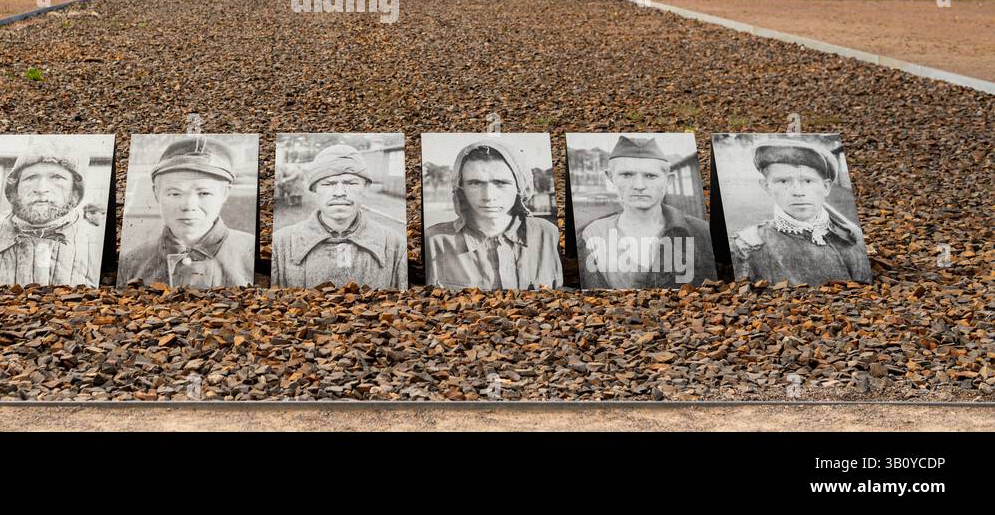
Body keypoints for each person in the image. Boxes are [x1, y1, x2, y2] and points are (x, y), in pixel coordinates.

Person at [578, 136, 715, 288]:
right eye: (627, 175)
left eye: (650, 176)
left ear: (668, 180)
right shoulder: (591, 234)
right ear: (610, 178)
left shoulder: (702, 232)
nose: (639, 185)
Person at [425, 140, 562, 291]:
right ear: (461, 187)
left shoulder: (548, 233)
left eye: (501, 183)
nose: (488, 196)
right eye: (475, 183)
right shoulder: (434, 241)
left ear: (519, 186)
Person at [119, 136, 255, 288]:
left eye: (204, 193)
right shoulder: (131, 262)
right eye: (175, 193)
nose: (189, 205)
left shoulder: (252, 255)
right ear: (156, 193)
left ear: (225, 194)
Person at [730, 140, 871, 284]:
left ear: (826, 187)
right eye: (783, 181)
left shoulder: (855, 236)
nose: (798, 192)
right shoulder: (746, 247)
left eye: (808, 181)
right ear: (766, 186)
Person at [0, 143, 103, 286]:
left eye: (57, 177)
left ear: (75, 191)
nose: (41, 188)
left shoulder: (98, 245)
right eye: (31, 178)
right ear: (14, 189)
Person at [272, 143, 406, 289]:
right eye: (328, 183)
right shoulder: (280, 245)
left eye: (350, 182)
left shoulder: (396, 246)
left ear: (365, 188)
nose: (340, 192)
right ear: (315, 189)